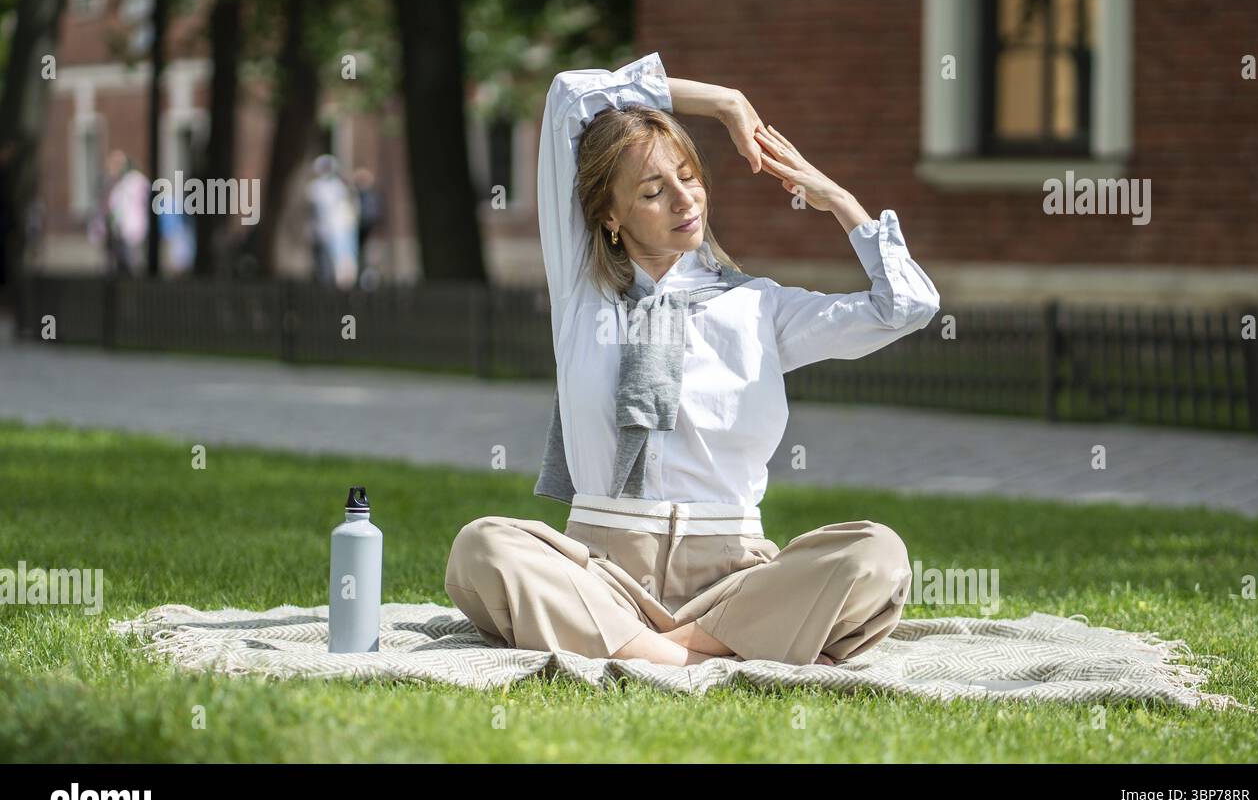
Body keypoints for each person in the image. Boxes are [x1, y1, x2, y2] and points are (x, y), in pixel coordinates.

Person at [444, 52, 942, 667]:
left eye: (690, 178)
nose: (686, 200)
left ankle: (645, 654)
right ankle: (706, 657)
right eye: (654, 191)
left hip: (734, 581)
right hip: (604, 574)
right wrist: (721, 100)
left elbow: (907, 305)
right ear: (609, 217)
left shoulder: (760, 308)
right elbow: (573, 94)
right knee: (484, 545)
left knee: (878, 556)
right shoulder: (583, 293)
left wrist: (837, 199)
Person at [305, 154, 358, 287]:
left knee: (344, 260)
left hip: (340, 229)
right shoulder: (315, 188)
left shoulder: (339, 187)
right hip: (322, 230)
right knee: (325, 263)